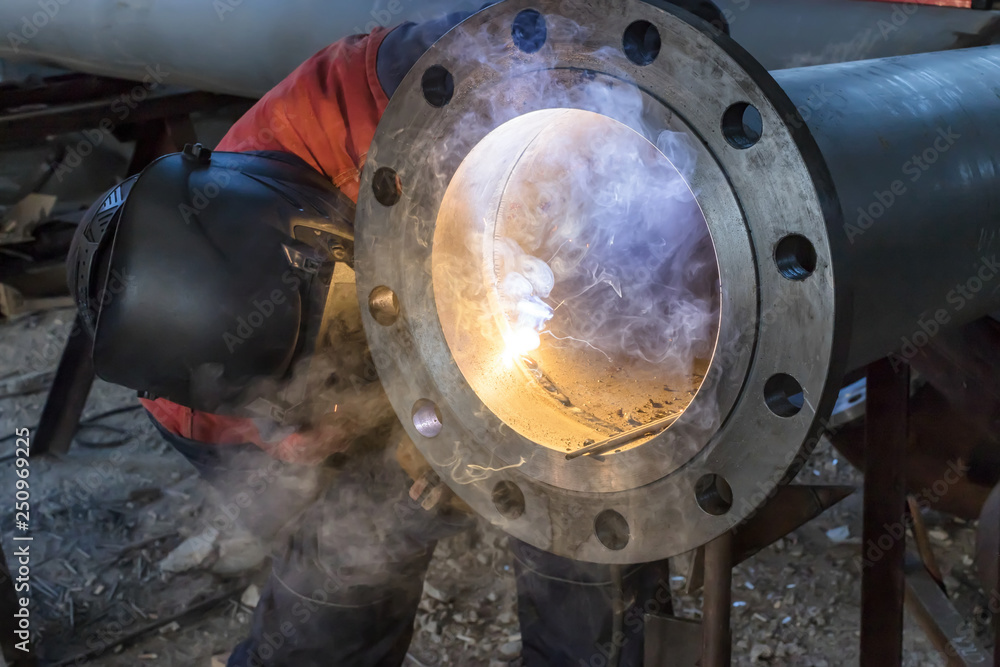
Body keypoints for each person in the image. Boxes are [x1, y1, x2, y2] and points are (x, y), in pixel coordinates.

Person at [67, 3, 729, 665]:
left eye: (339, 295)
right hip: (328, 421)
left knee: (581, 505)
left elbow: (625, 23)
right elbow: (318, 443)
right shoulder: (199, 404)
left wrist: (481, 231)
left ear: (310, 223)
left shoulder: (366, 96)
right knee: (349, 563)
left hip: (543, 297)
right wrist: (419, 441)